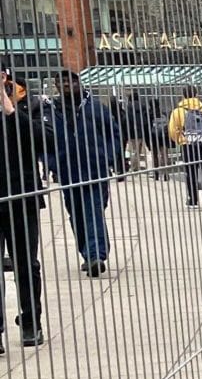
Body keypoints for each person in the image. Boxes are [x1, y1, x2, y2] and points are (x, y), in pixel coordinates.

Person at [44, 69, 121, 277]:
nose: (67, 85)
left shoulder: (95, 107)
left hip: (95, 170)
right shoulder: (51, 111)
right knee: (77, 214)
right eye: (62, 82)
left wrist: (108, 158)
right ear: (57, 86)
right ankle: (88, 253)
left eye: (71, 81)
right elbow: (43, 142)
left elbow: (113, 133)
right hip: (68, 173)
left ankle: (97, 255)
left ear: (79, 83)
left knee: (93, 209)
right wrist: (53, 163)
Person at [0, 61, 45, 348]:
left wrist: (11, 111)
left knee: (25, 265)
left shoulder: (26, 104)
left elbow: (46, 141)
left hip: (21, 199)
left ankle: (31, 321)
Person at [168, 88, 202, 209]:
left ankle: (193, 200)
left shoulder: (177, 112)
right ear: (197, 95)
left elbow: (172, 130)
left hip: (188, 145)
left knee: (190, 172)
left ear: (183, 95)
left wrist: (180, 140)